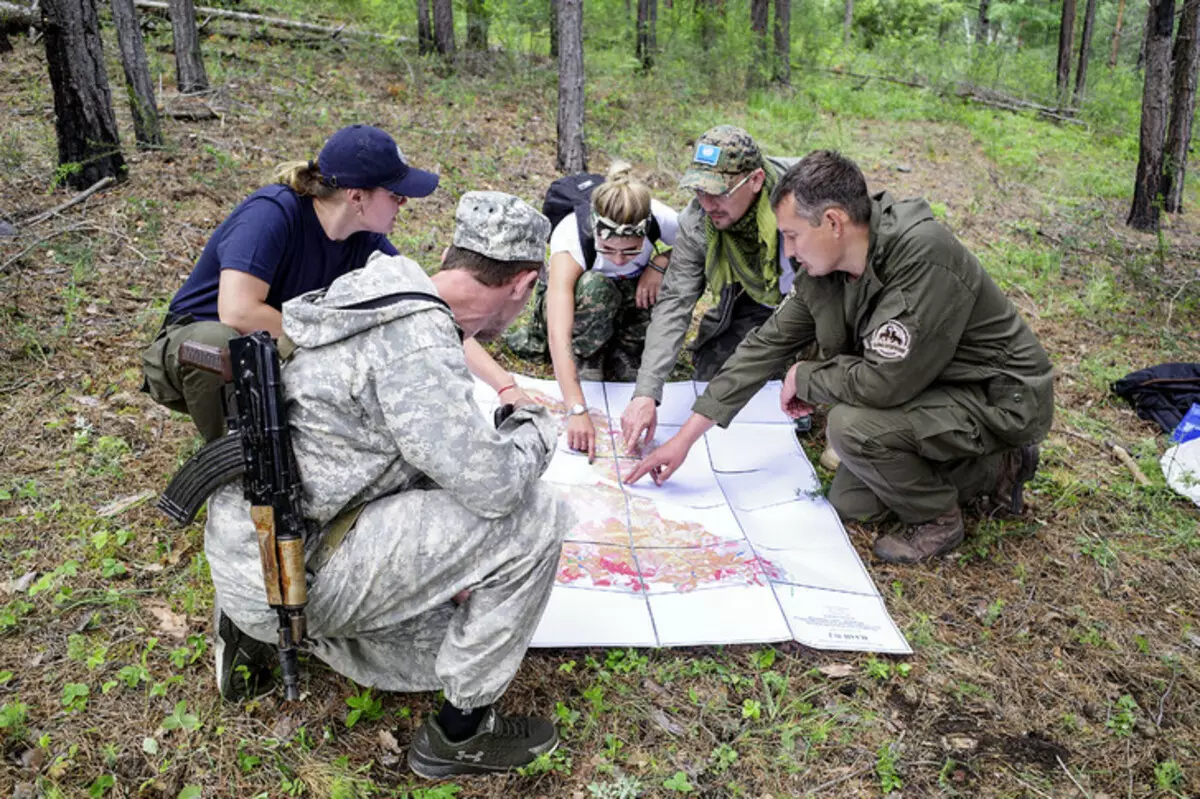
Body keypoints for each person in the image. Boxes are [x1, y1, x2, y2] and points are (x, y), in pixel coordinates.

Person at [203, 191, 575, 778]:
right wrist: (534, 427)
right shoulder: (419, 340)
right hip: (290, 573)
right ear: (524, 285)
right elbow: (498, 488)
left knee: (443, 616)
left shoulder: (378, 290)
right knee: (538, 514)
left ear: (453, 255)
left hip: (246, 544)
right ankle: (460, 736)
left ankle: (254, 633)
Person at [626, 151, 1053, 564]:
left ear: (832, 222)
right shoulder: (825, 270)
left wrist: (805, 376)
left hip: (995, 396)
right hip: (929, 383)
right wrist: (683, 440)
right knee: (851, 501)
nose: (788, 252)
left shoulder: (923, 255)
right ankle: (996, 469)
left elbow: (885, 381)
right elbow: (764, 346)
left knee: (851, 428)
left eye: (792, 236)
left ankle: (938, 519)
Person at [141, 124, 526, 441]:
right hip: (194, 349)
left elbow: (423, 310)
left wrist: (504, 385)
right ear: (356, 196)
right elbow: (238, 309)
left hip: (278, 350)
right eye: (395, 195)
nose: (403, 204)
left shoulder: (365, 241)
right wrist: (326, 344)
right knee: (226, 344)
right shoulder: (273, 213)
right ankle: (233, 464)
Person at [620, 125, 799, 452]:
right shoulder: (699, 220)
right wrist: (646, 393)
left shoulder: (803, 201)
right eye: (700, 191)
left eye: (719, 192)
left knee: (797, 380)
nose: (707, 202)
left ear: (756, 180)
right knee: (711, 374)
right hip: (758, 297)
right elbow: (675, 303)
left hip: (819, 295)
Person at [506, 162, 679, 460]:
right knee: (595, 284)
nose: (620, 259)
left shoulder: (659, 217)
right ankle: (590, 355)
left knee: (677, 278)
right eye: (608, 250)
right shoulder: (570, 237)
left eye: (631, 250)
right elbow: (558, 333)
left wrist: (659, 263)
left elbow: (701, 243)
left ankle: (624, 350)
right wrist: (576, 408)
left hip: (629, 298)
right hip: (583, 308)